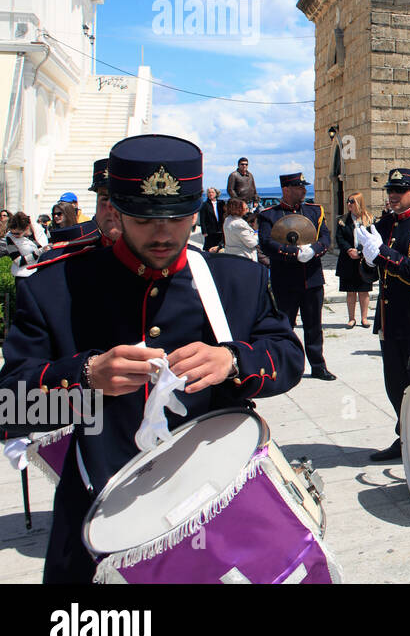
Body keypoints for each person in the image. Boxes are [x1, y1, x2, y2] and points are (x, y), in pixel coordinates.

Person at [0, 133, 305, 583]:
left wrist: (233, 361)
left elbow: (287, 357)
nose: (163, 234)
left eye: (178, 217)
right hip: (97, 514)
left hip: (215, 513)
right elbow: (12, 407)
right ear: (115, 209)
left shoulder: (237, 281)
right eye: (145, 218)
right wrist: (83, 376)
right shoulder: (53, 289)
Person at [355, 168, 410, 463]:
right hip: (391, 316)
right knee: (395, 382)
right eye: (390, 191)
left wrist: (380, 253)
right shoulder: (386, 223)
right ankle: (405, 436)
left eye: (399, 191)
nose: (392, 196)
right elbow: (373, 270)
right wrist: (368, 259)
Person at [257, 172, 335, 381]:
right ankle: (284, 367)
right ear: (286, 190)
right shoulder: (269, 215)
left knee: (314, 326)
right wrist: (294, 253)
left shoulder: (314, 211)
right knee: (284, 325)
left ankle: (318, 365)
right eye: (299, 188)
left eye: (303, 188)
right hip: (285, 279)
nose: (303, 191)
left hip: (312, 278)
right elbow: (266, 243)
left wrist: (314, 250)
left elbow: (325, 237)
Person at [335, 192, 375, 328]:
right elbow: (339, 238)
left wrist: (361, 252)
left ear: (358, 203)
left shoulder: (369, 219)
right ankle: (351, 318)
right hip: (347, 259)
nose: (348, 204)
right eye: (348, 201)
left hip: (363, 259)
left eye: (351, 201)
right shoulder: (342, 220)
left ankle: (364, 318)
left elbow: (372, 238)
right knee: (350, 291)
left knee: (364, 291)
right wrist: (349, 250)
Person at [222, 197, 259, 262]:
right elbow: (251, 243)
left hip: (231, 256)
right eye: (245, 208)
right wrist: (256, 235)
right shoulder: (239, 224)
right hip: (244, 257)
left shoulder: (228, 219)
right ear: (238, 209)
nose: (247, 209)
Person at [198, 186, 225, 251]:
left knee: (219, 247)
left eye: (212, 192)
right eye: (209, 192)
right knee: (209, 248)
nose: (211, 194)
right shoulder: (205, 204)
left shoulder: (221, 203)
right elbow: (202, 219)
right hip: (210, 230)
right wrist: (204, 231)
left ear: (216, 193)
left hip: (220, 229)